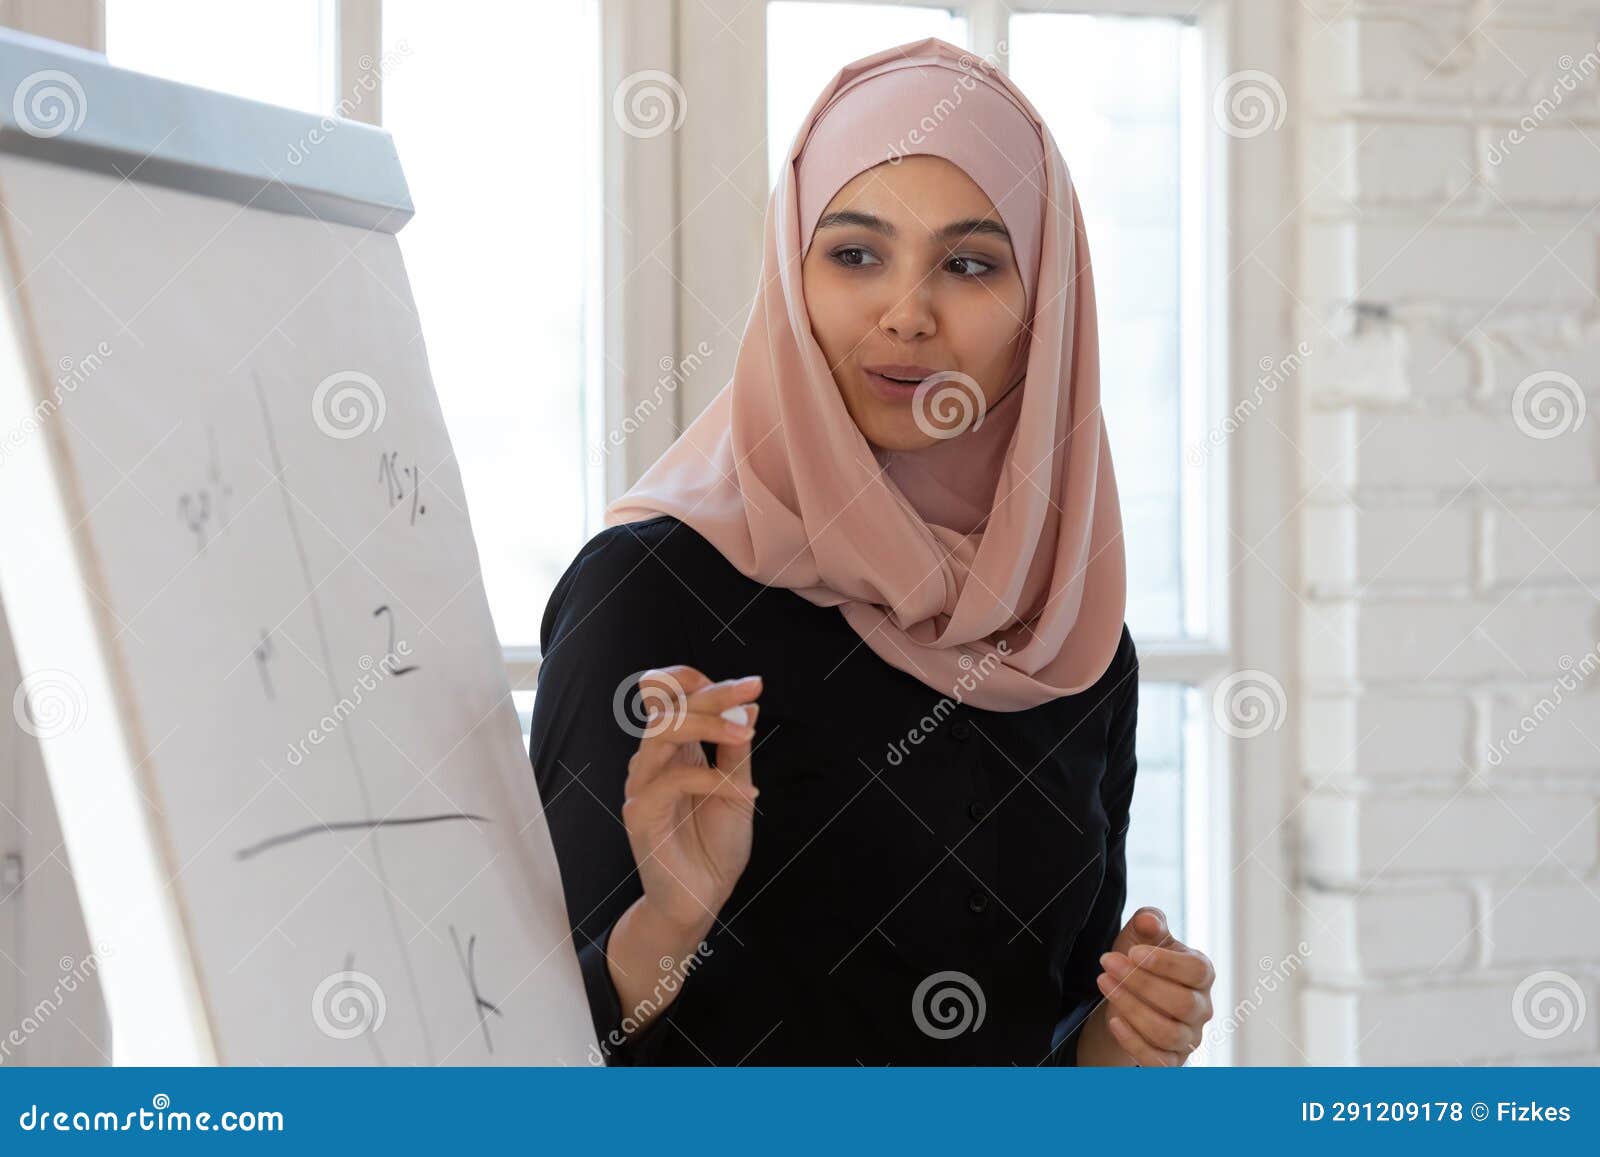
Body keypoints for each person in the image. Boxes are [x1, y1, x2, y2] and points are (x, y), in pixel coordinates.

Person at [528, 36, 1214, 1065]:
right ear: (791, 281)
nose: (906, 313)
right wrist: (659, 933)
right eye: (854, 253)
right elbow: (513, 1051)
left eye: (970, 264)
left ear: (1044, 314)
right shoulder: (654, 590)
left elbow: (1045, 1030)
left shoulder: (1064, 637)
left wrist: (1117, 1037)